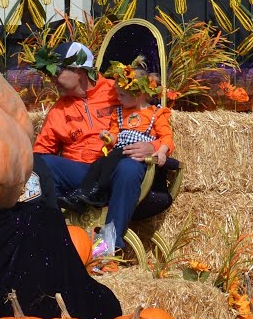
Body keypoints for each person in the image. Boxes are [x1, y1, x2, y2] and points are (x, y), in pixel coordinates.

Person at [31, 42, 158, 253]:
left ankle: (107, 249)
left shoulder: (117, 89)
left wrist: (152, 146)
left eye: (56, 72)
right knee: (37, 164)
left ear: (78, 70)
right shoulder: (58, 110)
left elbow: (154, 117)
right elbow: (41, 153)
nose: (51, 80)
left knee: (129, 166)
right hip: (81, 175)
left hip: (117, 168)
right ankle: (52, 242)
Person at [64, 58, 175, 209]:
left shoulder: (156, 113)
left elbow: (166, 136)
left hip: (136, 156)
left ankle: (99, 190)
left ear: (138, 95)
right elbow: (115, 137)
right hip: (120, 151)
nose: (118, 99)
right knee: (99, 163)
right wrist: (108, 137)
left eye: (122, 95)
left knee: (112, 157)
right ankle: (82, 192)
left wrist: (161, 152)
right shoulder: (119, 113)